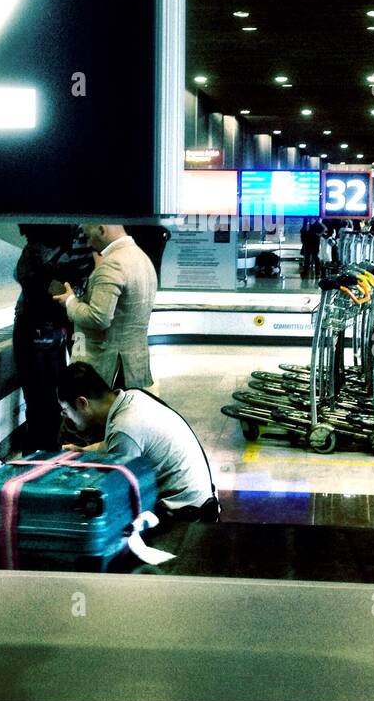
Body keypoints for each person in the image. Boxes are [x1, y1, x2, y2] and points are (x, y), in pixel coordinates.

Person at [57, 362, 219, 525]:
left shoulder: (124, 428)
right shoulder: (133, 397)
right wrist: (82, 451)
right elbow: (113, 444)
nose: (66, 417)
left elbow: (118, 494)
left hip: (187, 518)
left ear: (82, 403)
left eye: (65, 410)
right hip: (201, 500)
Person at [12, 224, 94, 451]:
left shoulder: (40, 251)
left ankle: (43, 459)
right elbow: (34, 282)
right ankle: (42, 460)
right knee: (45, 404)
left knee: (46, 403)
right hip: (43, 329)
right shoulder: (41, 251)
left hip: (47, 329)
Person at [53, 224, 158, 389]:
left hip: (106, 368)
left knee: (103, 415)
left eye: (88, 236)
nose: (88, 243)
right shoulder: (142, 258)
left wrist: (70, 301)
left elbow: (98, 318)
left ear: (101, 230)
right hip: (133, 365)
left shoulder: (112, 264)